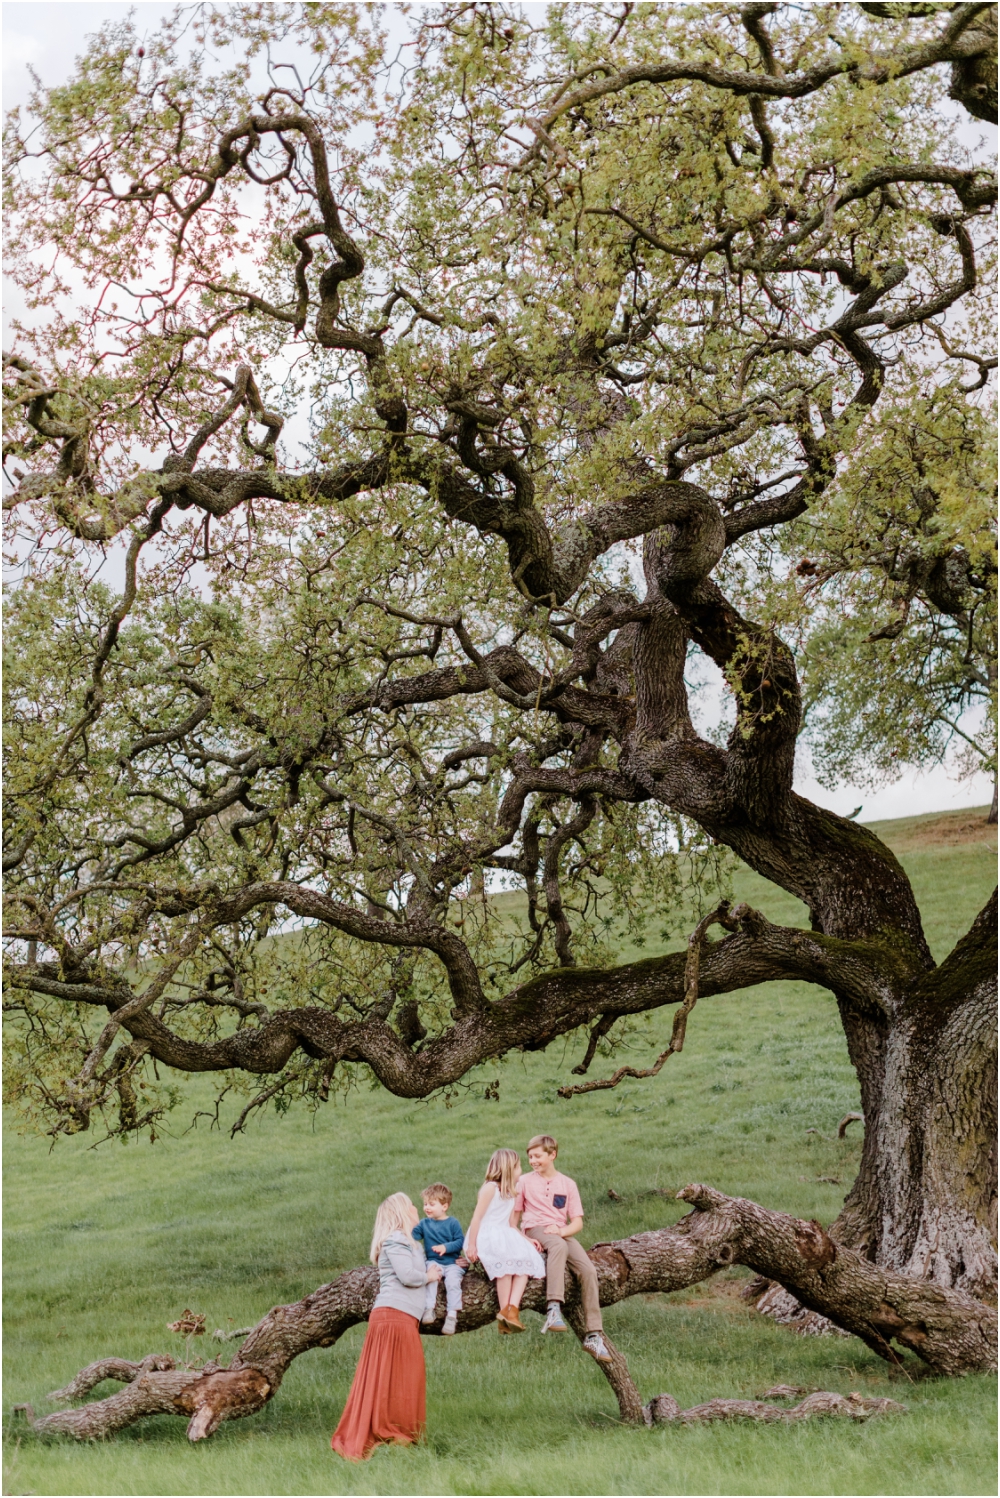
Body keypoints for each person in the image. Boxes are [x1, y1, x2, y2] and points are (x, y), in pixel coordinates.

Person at [330, 1192, 441, 1461]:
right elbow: (408, 1276)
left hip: (402, 1317)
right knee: (396, 1376)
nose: (416, 1208)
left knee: (402, 1376)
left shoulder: (408, 1241)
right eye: (412, 1204)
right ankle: (392, 1432)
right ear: (402, 1211)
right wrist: (429, 1276)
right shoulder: (395, 1239)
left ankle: (398, 1432)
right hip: (393, 1316)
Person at [512, 1133, 612, 1363]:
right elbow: (513, 1220)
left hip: (559, 1231)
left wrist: (561, 1230)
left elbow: (577, 1222)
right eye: (530, 1157)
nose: (533, 1161)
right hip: (535, 1228)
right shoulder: (524, 1181)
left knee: (588, 1271)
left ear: (552, 1155)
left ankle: (594, 1334)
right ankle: (553, 1308)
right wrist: (524, 1239)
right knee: (557, 1245)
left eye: (538, 1156)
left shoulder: (567, 1184)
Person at [464, 1148, 545, 1334]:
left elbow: (511, 1223)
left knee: (525, 1262)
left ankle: (512, 1311)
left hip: (504, 1233)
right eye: (518, 1166)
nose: (521, 1170)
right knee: (506, 1268)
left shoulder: (511, 1191)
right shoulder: (490, 1188)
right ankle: (503, 1311)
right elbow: (477, 1218)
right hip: (486, 1235)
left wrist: (527, 1239)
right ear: (508, 1168)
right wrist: (472, 1245)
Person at [412, 1182, 465, 1335]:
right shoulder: (424, 1223)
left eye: (431, 1204)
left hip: (452, 1263)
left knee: (453, 1282)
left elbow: (460, 1241)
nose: (427, 1207)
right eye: (425, 1204)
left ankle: (452, 1315)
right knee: (431, 1278)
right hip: (434, 1262)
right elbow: (412, 1235)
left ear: (444, 1206)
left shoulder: (453, 1223)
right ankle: (429, 1309)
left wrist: (445, 1247)